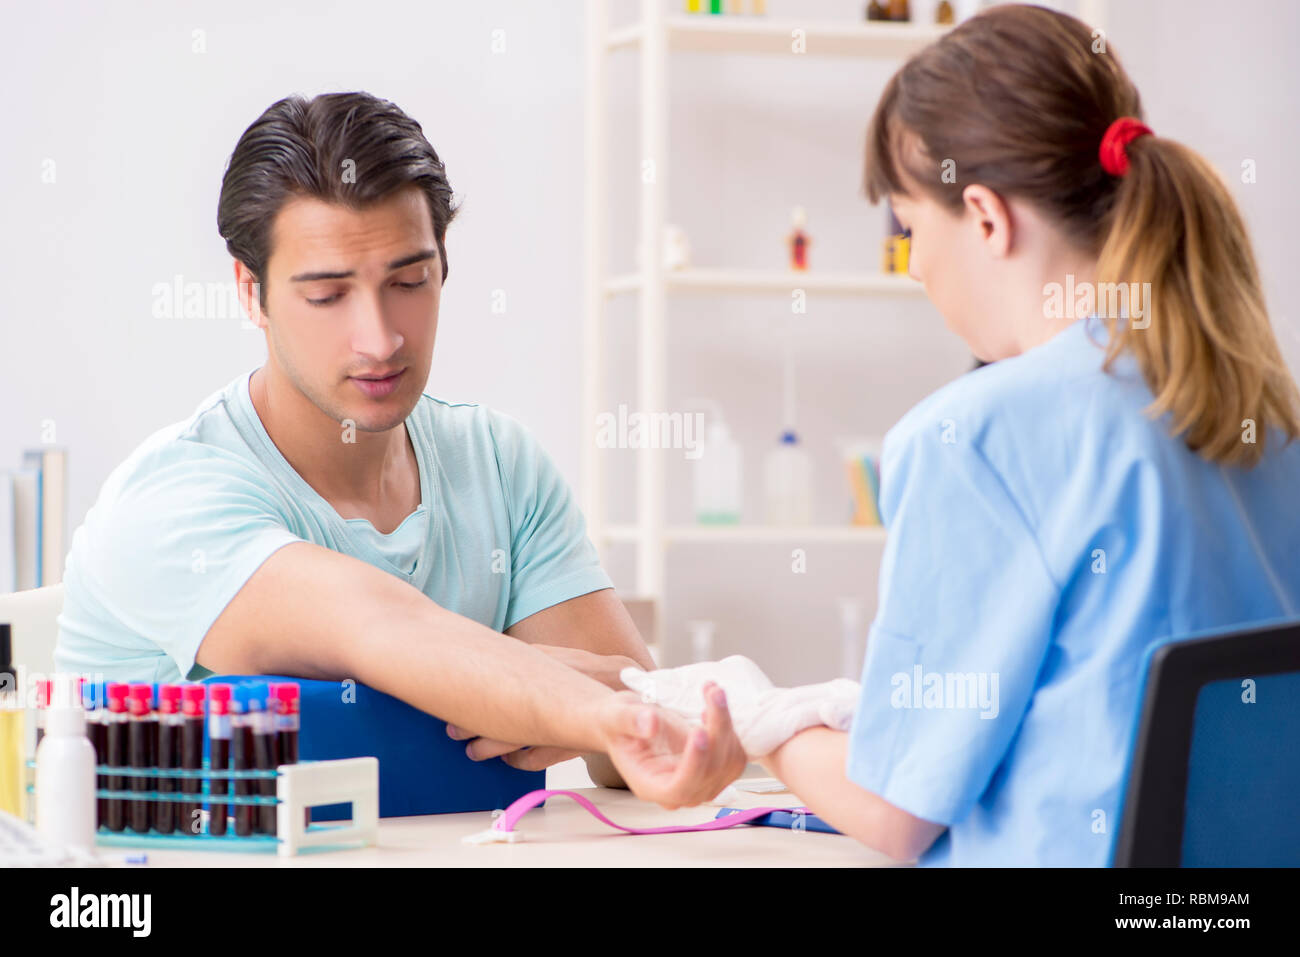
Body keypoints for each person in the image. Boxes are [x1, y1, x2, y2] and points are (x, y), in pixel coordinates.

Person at [53, 91, 746, 807]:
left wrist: (569, 702)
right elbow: (381, 627)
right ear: (250, 291)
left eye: (409, 281)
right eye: (327, 295)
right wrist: (561, 690)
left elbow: (633, 741)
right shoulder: (171, 498)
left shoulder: (497, 463)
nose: (380, 338)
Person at [750, 4, 1300, 865]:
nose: (914, 264)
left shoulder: (972, 436)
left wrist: (762, 722)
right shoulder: (1264, 417)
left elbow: (896, 815)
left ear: (984, 215)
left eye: (907, 228)